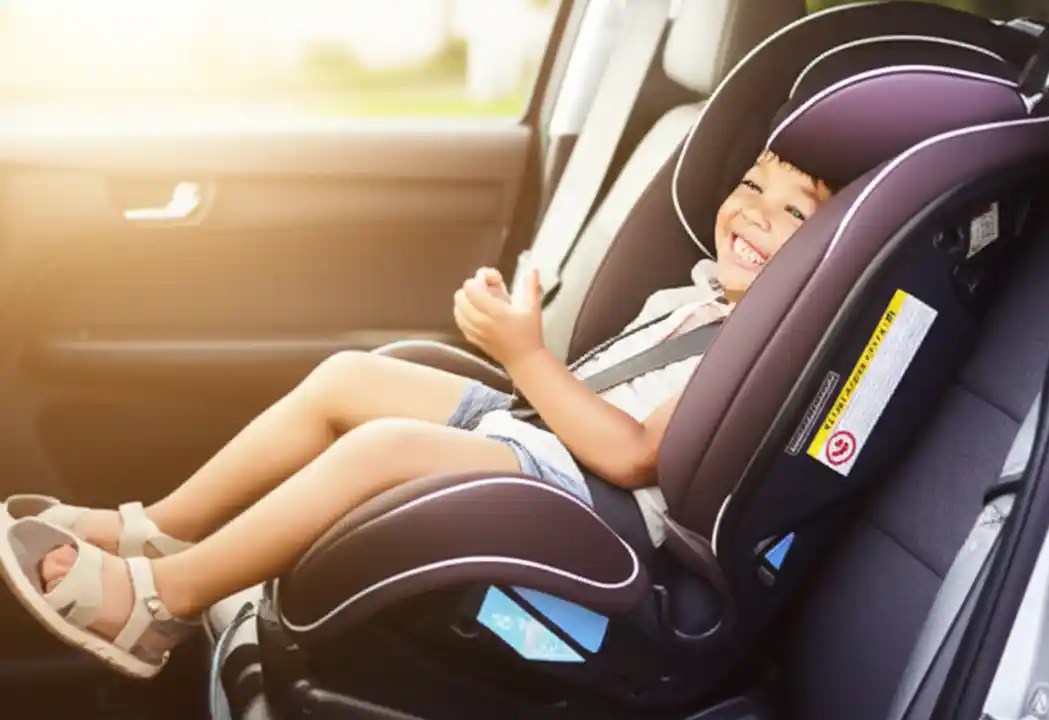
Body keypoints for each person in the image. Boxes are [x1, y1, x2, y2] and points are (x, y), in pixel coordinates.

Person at [0, 150, 833, 678]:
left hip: (591, 503)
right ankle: (157, 530)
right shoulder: (693, 299)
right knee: (350, 378)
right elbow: (593, 399)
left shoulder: (756, 351)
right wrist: (528, 364)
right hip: (545, 444)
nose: (758, 213)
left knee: (386, 445)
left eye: (797, 211)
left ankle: (161, 606)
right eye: (752, 184)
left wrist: (526, 356)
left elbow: (632, 458)